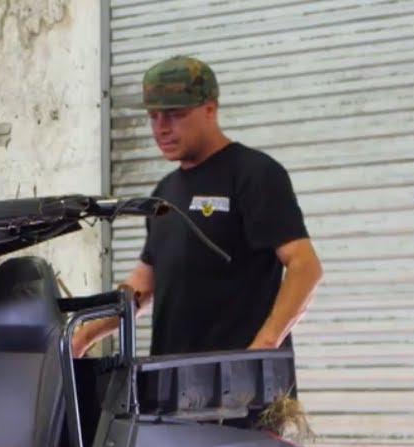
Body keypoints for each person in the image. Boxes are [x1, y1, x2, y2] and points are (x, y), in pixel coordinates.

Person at [72, 55, 323, 359]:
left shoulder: (254, 174)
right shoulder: (164, 193)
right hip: (172, 378)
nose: (161, 129)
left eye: (174, 115)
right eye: (153, 117)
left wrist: (261, 350)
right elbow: (142, 285)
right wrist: (81, 337)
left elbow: (305, 266)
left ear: (210, 109)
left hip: (239, 382)